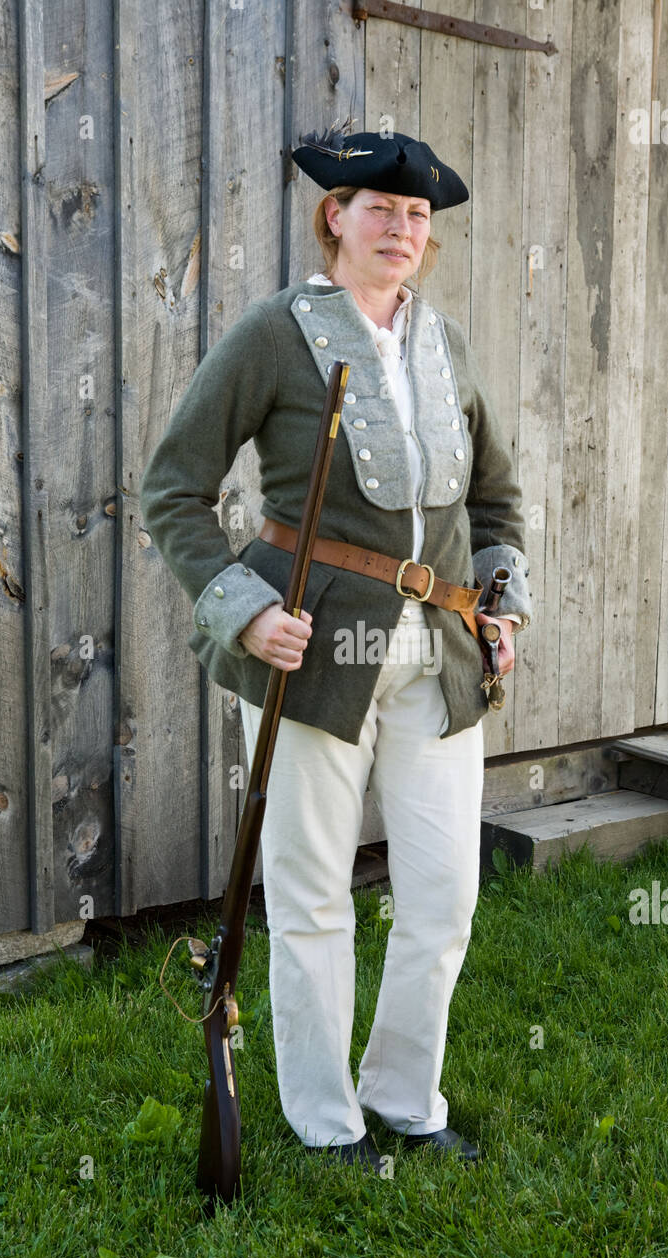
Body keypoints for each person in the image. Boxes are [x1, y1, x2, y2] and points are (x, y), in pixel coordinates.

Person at [140, 121, 533, 1171]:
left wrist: (502, 601)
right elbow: (172, 488)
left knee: (443, 890)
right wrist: (240, 607)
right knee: (312, 893)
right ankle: (324, 1122)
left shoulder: (443, 343)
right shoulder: (275, 333)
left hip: (439, 653)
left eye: (415, 216)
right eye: (380, 210)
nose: (400, 229)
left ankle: (406, 1098)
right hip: (309, 653)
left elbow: (495, 496)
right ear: (336, 218)